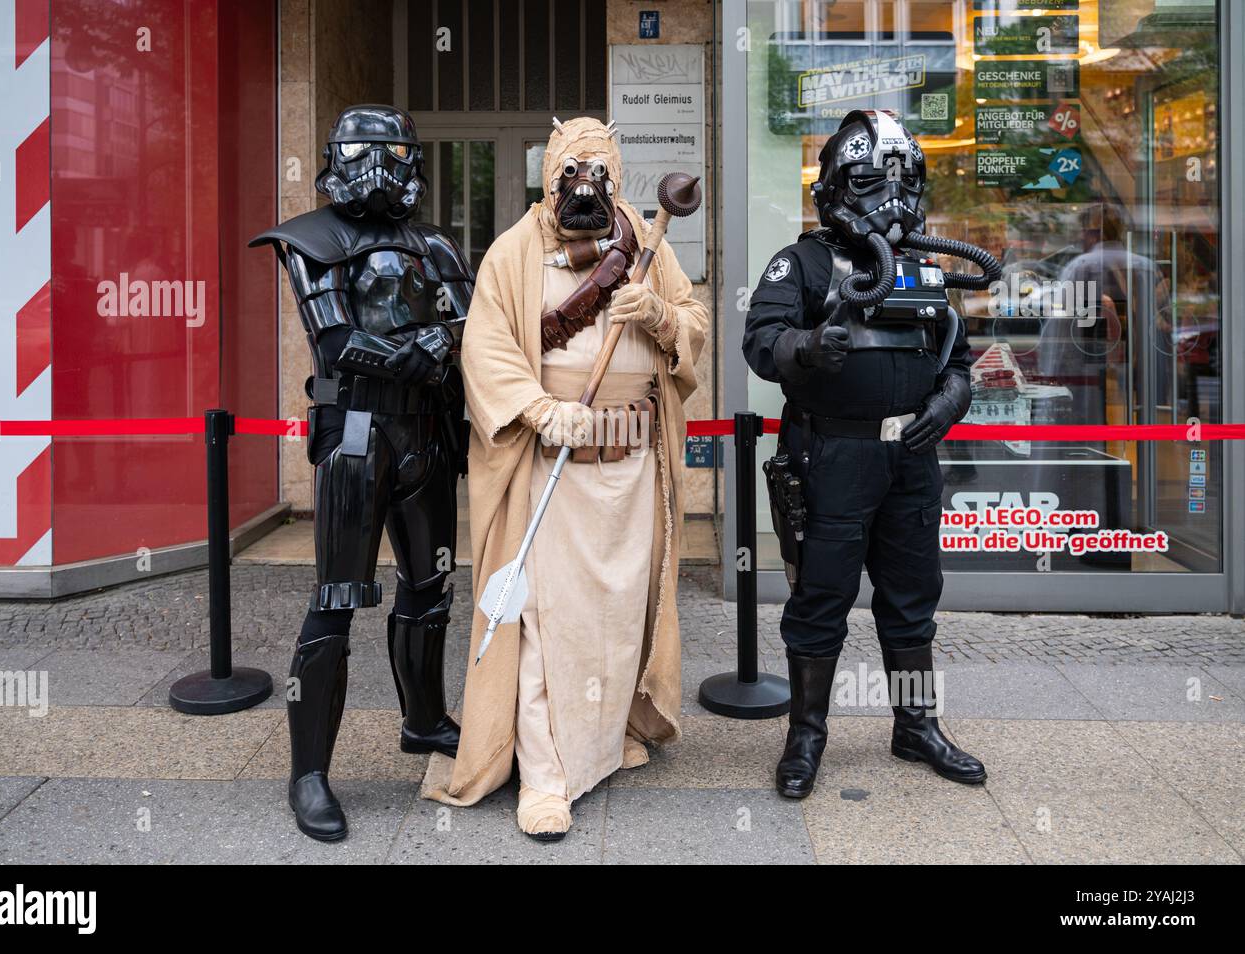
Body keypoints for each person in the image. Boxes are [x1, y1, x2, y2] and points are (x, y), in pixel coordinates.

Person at [421, 117, 708, 841]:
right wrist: (540, 409)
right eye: (571, 172)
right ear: (548, 178)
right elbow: (483, 348)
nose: (585, 183)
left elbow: (696, 326)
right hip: (553, 469)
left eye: (598, 172)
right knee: (548, 624)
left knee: (620, 617)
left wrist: (663, 317)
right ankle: (547, 774)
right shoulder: (514, 254)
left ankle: (605, 744)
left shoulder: (648, 243)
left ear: (616, 176)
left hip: (633, 470)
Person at [743, 109, 999, 799]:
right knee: (821, 598)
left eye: (903, 179)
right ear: (834, 185)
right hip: (833, 456)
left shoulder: (923, 267)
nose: (892, 196)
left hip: (911, 458)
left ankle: (915, 725)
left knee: (913, 598)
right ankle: (806, 735)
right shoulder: (801, 262)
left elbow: (956, 359)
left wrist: (950, 401)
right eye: (872, 181)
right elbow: (760, 339)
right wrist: (805, 346)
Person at [251, 105, 473, 841]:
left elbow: (471, 323)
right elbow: (335, 335)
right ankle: (308, 772)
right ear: (336, 157)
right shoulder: (313, 240)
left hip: (427, 431)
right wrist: (415, 350)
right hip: (355, 432)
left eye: (392, 152)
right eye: (363, 151)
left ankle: (423, 719)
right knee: (337, 601)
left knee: (430, 587)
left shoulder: (434, 244)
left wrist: (438, 345)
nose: (378, 166)